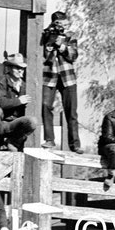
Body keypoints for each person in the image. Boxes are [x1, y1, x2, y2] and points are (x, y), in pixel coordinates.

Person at [40, 10, 81, 152]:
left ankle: (75, 144)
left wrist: (61, 45)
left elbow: (73, 55)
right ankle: (49, 139)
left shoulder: (70, 35)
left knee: (71, 111)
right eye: (58, 24)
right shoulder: (46, 35)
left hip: (67, 77)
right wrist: (49, 40)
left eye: (63, 24)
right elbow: (43, 55)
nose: (61, 27)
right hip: (49, 75)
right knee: (45, 105)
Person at [0, 54, 37, 151]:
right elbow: (0, 102)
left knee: (32, 121)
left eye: (22, 68)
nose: (20, 70)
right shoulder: (1, 81)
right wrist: (19, 101)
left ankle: (13, 142)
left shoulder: (24, 85)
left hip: (14, 124)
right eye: (17, 68)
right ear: (9, 68)